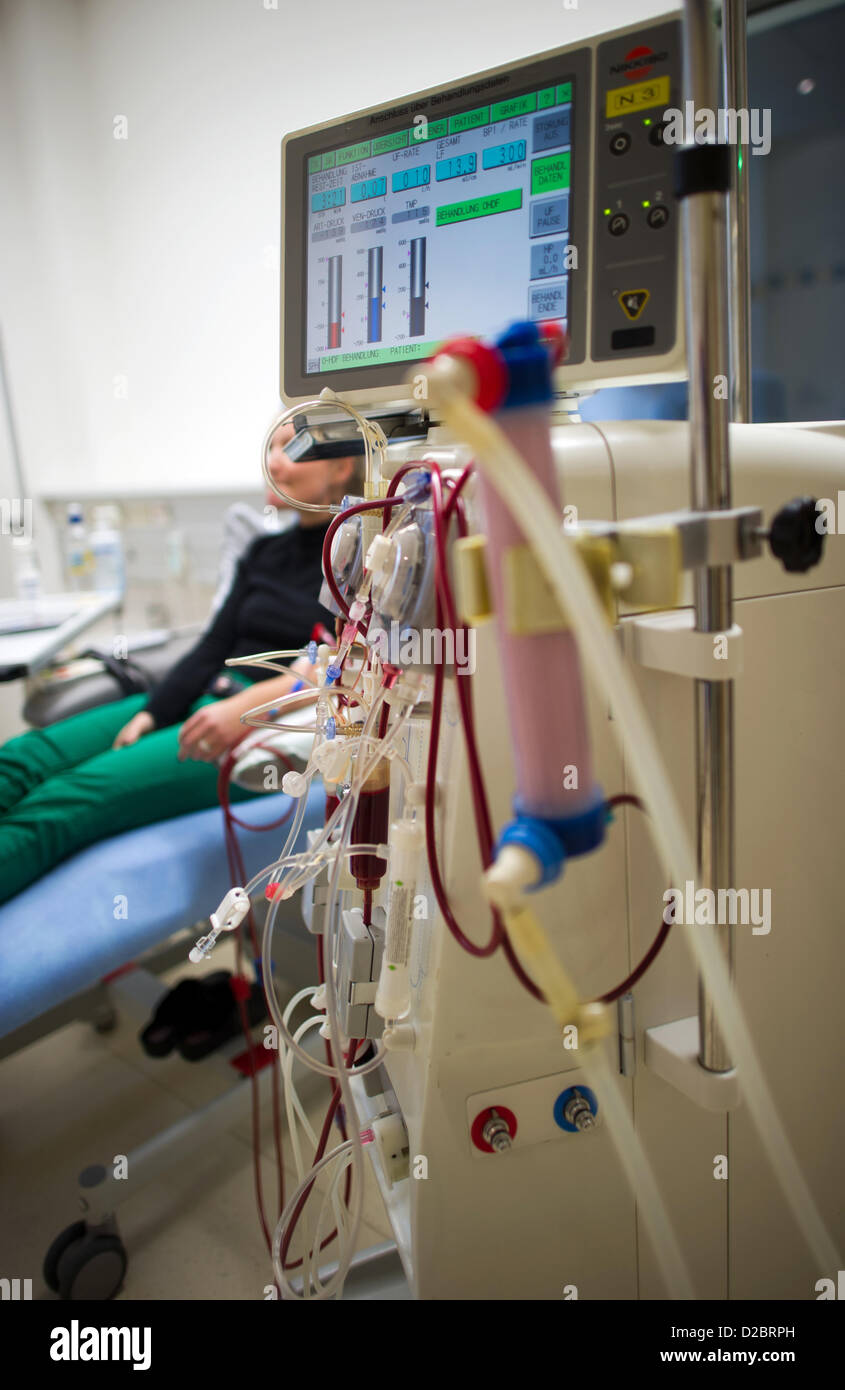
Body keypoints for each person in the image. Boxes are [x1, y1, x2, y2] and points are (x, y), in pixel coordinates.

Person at [0, 423, 358, 905]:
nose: (273, 462)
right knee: (22, 758)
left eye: (292, 448)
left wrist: (243, 712)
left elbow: (335, 666)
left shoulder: (356, 558)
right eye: (271, 447)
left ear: (342, 465)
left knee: (64, 802)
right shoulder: (264, 552)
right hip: (209, 695)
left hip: (264, 726)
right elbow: (212, 647)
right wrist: (154, 713)